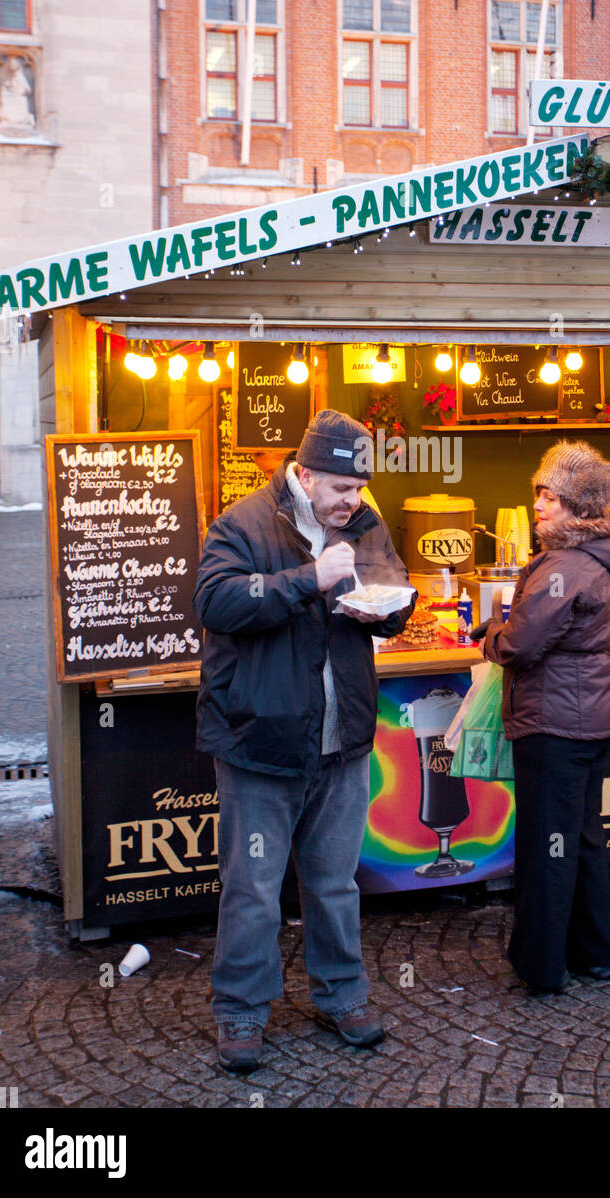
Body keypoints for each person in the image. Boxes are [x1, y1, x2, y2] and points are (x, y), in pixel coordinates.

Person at [194, 409, 414, 1070]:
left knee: (335, 883)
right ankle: (241, 1012)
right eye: (343, 489)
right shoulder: (244, 524)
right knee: (254, 888)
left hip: (341, 741)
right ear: (307, 473)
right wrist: (306, 581)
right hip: (261, 742)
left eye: (361, 488)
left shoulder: (365, 523)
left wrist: (390, 605)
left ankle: (341, 996)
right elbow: (216, 602)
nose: (354, 501)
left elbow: (396, 596)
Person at [482, 440, 610, 994]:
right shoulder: (603, 554)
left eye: (552, 497)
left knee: (547, 841)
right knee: (584, 838)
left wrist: (492, 636)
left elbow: (521, 646)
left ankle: (543, 967)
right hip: (595, 715)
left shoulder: (565, 566)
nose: (539, 504)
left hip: (557, 720)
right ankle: (594, 955)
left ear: (581, 507)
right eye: (539, 493)